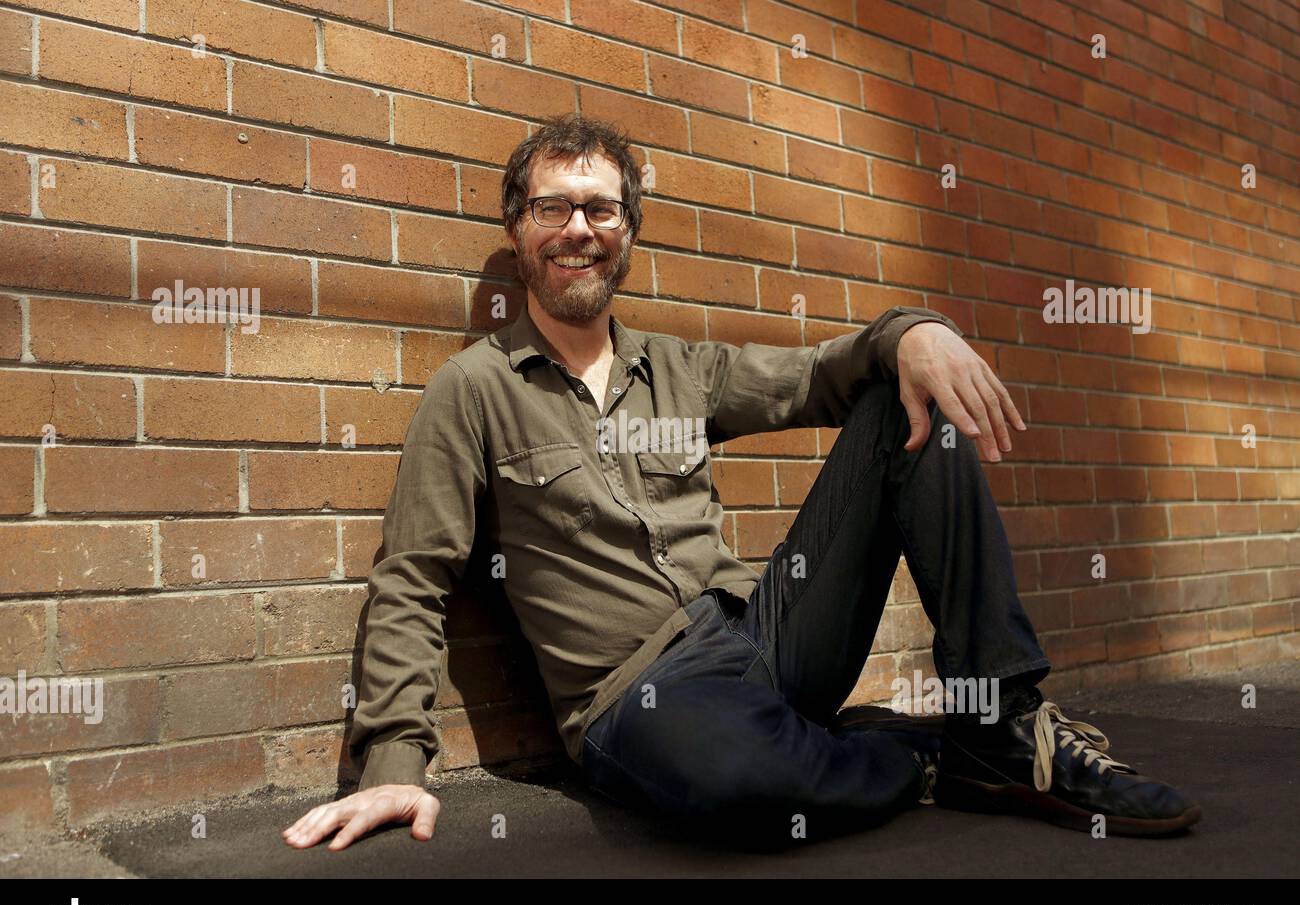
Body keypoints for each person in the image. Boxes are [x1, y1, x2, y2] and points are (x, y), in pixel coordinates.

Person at [283, 114, 1200, 852]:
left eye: (601, 209)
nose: (578, 229)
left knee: (905, 398)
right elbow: (414, 575)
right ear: (518, 229)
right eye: (552, 207)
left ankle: (1001, 721)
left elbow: (820, 375)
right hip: (641, 695)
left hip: (760, 635)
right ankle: (919, 758)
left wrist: (912, 332)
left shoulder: (682, 370)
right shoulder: (473, 390)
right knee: (741, 785)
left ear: (628, 232)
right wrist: (394, 764)